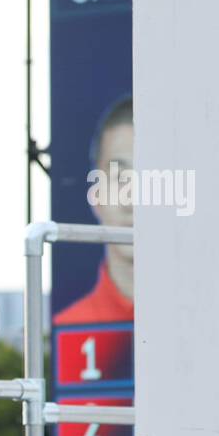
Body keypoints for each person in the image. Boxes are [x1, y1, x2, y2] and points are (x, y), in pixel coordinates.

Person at [54, 96, 133, 325]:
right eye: (120, 177)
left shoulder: (203, 319)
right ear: (95, 194)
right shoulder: (71, 326)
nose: (131, 200)